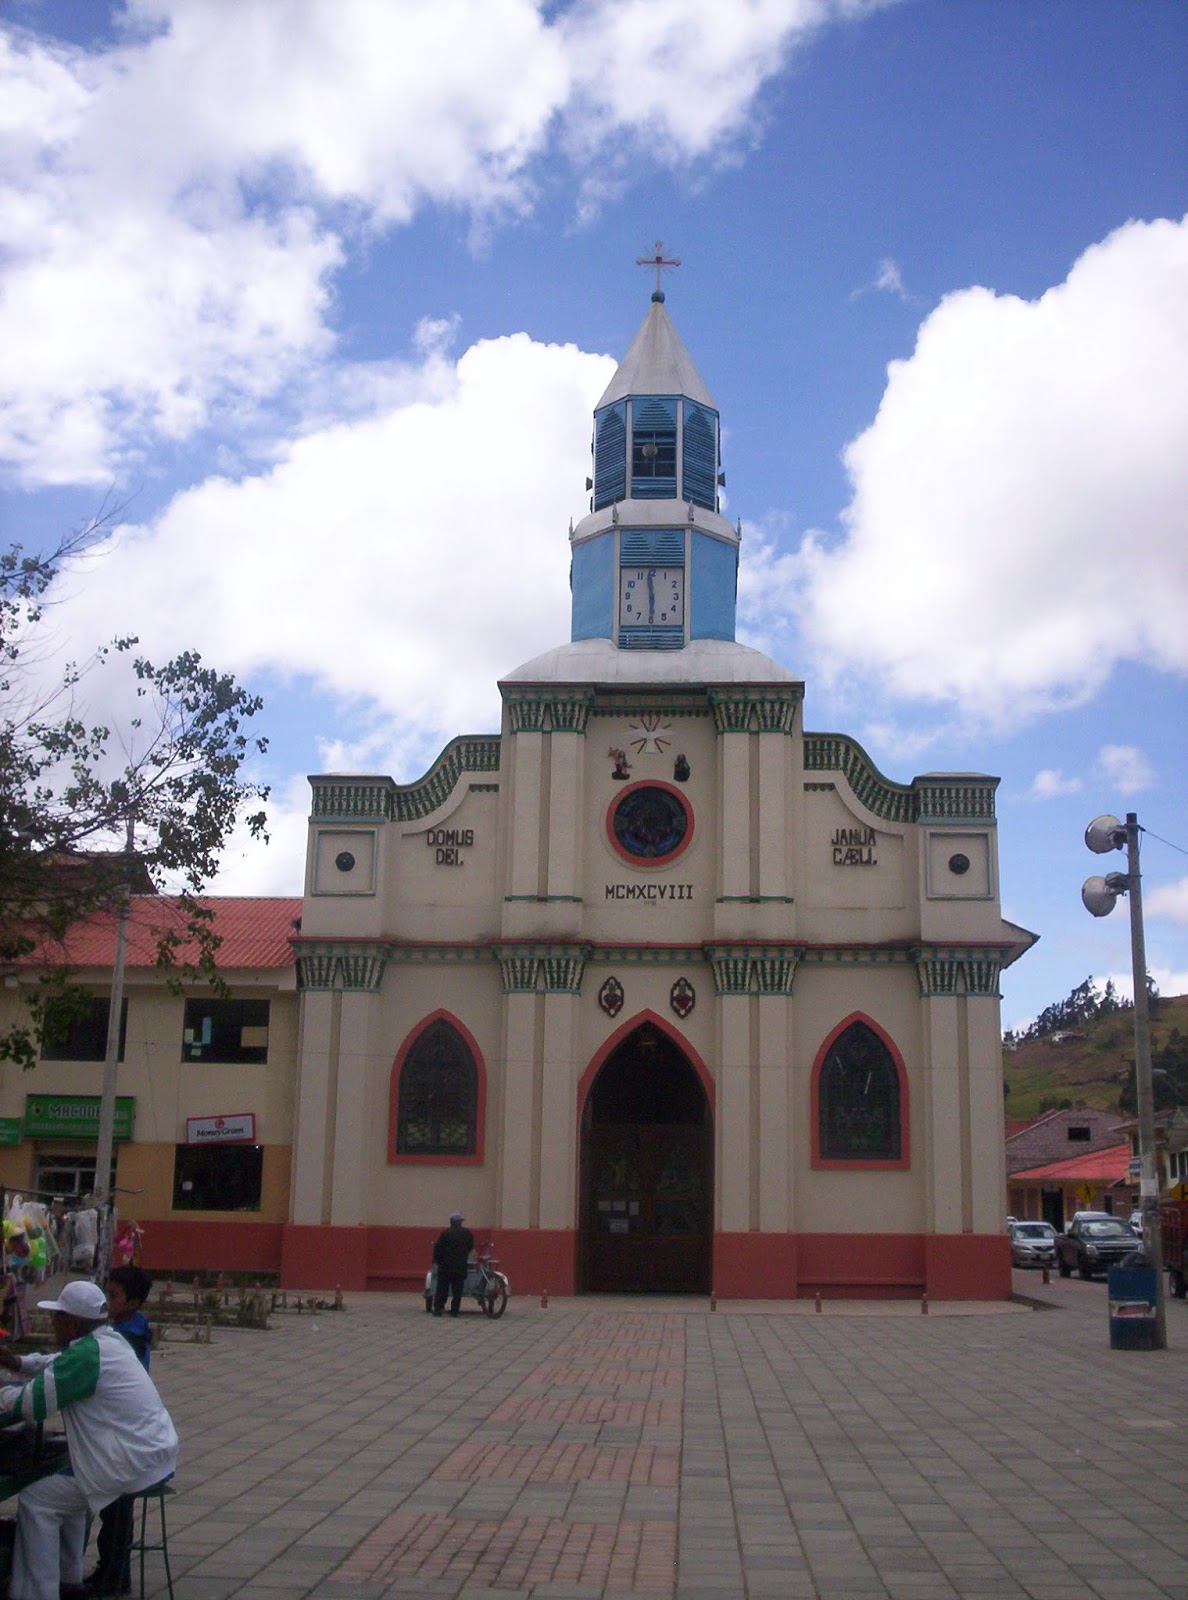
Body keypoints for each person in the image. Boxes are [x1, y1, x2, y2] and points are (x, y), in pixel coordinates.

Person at [0, 1279, 177, 1600]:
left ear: (72, 1323)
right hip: (153, 1453)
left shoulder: (87, 1356)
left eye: (57, 1317)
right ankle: (69, 1581)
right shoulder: (108, 1341)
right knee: (62, 1479)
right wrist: (18, 1364)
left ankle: (38, 1592)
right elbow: (57, 1363)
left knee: (37, 1499)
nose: (53, 1323)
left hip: (130, 1462)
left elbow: (31, 1405)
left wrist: (3, 1395)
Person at [84, 1266, 156, 1596]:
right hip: (126, 1434)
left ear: (133, 1303)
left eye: (113, 1296)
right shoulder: (126, 1328)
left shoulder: (126, 1336)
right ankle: (113, 1572)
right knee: (115, 1515)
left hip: (127, 1441)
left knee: (114, 1514)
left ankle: (112, 1574)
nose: (106, 1300)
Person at [431, 1211, 474, 1317]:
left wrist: (437, 1260)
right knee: (457, 1290)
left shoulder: (445, 1233)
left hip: (445, 1266)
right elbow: (470, 1246)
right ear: (460, 1222)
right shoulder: (467, 1233)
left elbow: (438, 1248)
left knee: (442, 1288)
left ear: (451, 1222)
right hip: (460, 1266)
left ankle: (438, 1309)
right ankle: (455, 1311)